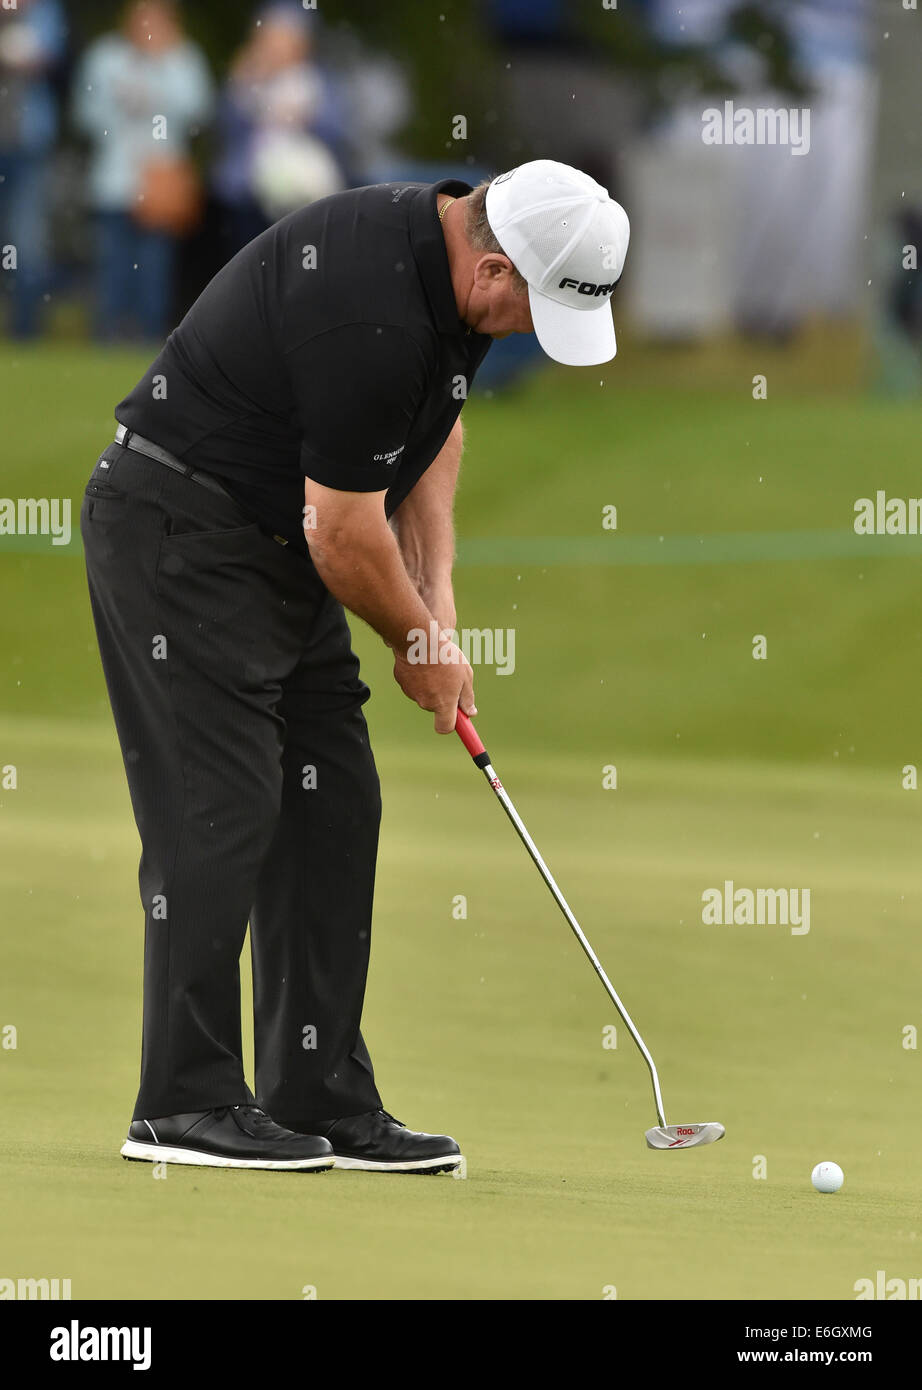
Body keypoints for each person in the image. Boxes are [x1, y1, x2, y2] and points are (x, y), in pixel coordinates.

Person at [79, 160, 629, 1173]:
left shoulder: (453, 268)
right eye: (532, 310)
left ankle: (316, 1092)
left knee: (332, 799)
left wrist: (437, 598)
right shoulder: (370, 312)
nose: (524, 333)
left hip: (270, 541)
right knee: (221, 804)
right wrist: (415, 644)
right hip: (178, 530)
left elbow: (432, 428)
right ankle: (182, 1103)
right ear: (496, 267)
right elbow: (339, 530)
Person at [72, 0, 213, 342]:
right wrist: (120, 104)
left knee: (155, 268)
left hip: (161, 183)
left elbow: (199, 110)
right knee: (112, 266)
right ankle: (108, 337)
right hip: (114, 181)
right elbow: (85, 115)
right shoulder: (105, 57)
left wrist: (156, 87)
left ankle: (150, 339)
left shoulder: (183, 58)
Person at [213, 2, 347, 258]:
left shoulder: (316, 81)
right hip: (247, 194)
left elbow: (334, 131)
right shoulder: (245, 76)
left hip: (298, 195)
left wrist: (303, 117)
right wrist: (243, 82)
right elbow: (227, 125)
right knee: (247, 261)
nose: (276, 47)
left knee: (292, 259)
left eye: (285, 38)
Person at [0, 0, 68, 338]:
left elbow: (49, 57)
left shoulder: (45, 10)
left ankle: (25, 332)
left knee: (27, 239)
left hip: (27, 144)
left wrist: (25, 56)